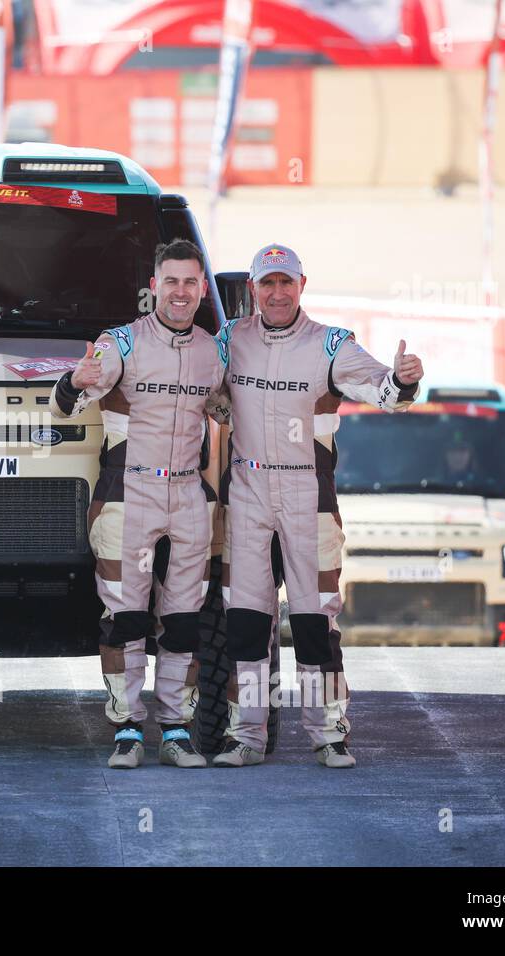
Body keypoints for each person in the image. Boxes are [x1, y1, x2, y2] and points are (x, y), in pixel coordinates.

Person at [209, 243, 423, 770]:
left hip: (310, 495)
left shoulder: (332, 345)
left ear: (302, 285)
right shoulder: (229, 340)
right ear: (253, 290)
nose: (277, 293)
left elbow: (385, 391)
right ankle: (246, 737)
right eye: (267, 283)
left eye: (286, 282)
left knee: (314, 622)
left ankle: (328, 734)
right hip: (249, 493)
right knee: (245, 623)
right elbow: (186, 385)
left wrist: (404, 379)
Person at [51, 239, 223, 770]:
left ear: (200, 290)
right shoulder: (119, 343)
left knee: (184, 620)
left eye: (190, 282)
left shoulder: (212, 351)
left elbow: (233, 410)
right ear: (154, 286)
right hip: (128, 492)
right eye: (170, 281)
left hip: (189, 496)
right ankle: (127, 730)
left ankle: (175, 730)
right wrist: (72, 383)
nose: (180, 291)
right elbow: (67, 405)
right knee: (124, 617)